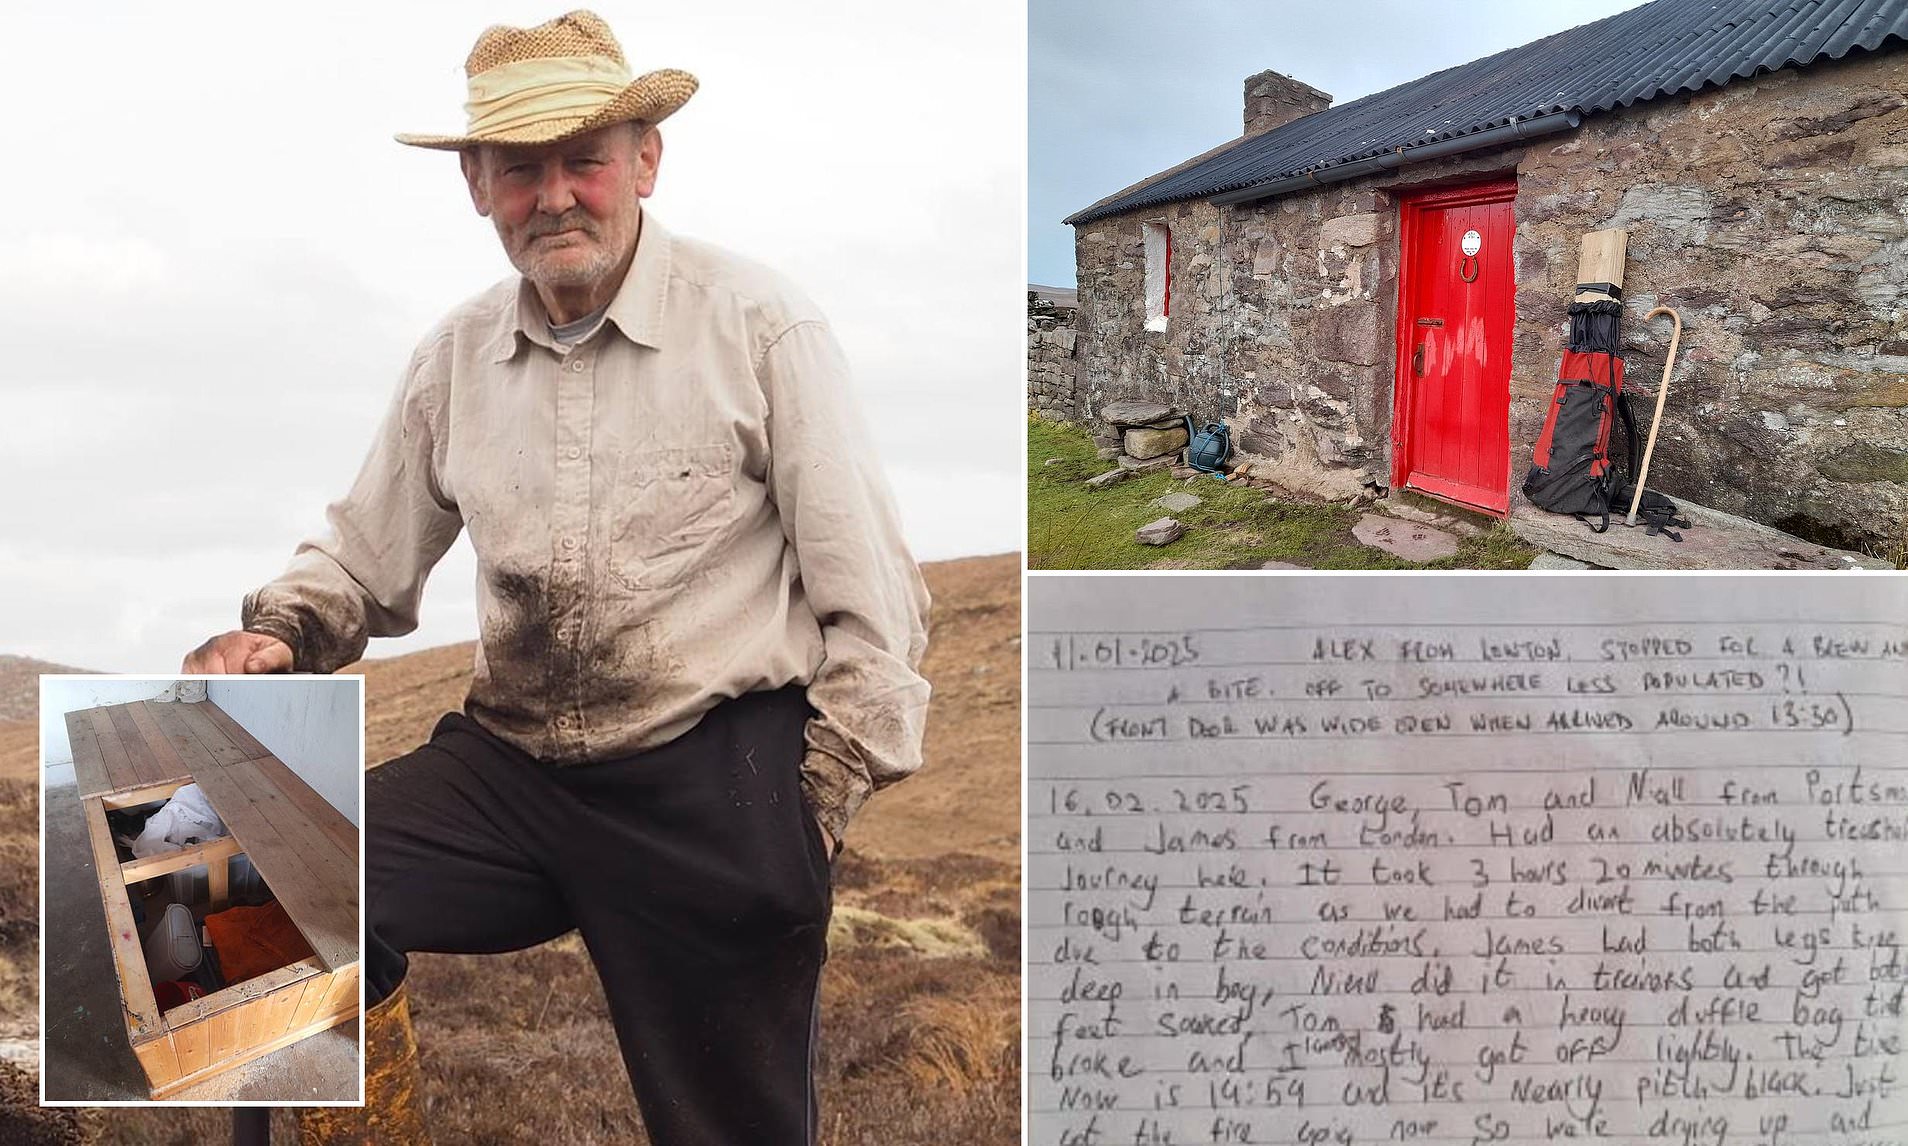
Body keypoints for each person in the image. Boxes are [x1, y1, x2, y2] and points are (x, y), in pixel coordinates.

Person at [182, 11, 931, 1143]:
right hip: (512, 773)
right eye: (521, 170)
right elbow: (360, 557)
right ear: (478, 186)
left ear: (645, 161)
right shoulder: (453, 357)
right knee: (248, 883)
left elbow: (876, 604)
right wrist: (283, 630)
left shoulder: (761, 324)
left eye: (584, 160)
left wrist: (810, 813)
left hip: (715, 784)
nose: (557, 196)